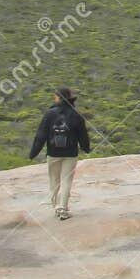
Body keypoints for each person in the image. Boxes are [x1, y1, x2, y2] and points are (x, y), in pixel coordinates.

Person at [29, 86, 90, 220]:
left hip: (53, 153)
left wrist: (33, 152)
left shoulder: (50, 114)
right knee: (66, 180)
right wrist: (86, 148)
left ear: (59, 98)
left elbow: (41, 135)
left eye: (55, 96)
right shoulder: (76, 115)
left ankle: (57, 207)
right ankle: (63, 208)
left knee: (54, 181)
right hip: (71, 153)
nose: (54, 98)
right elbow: (83, 135)